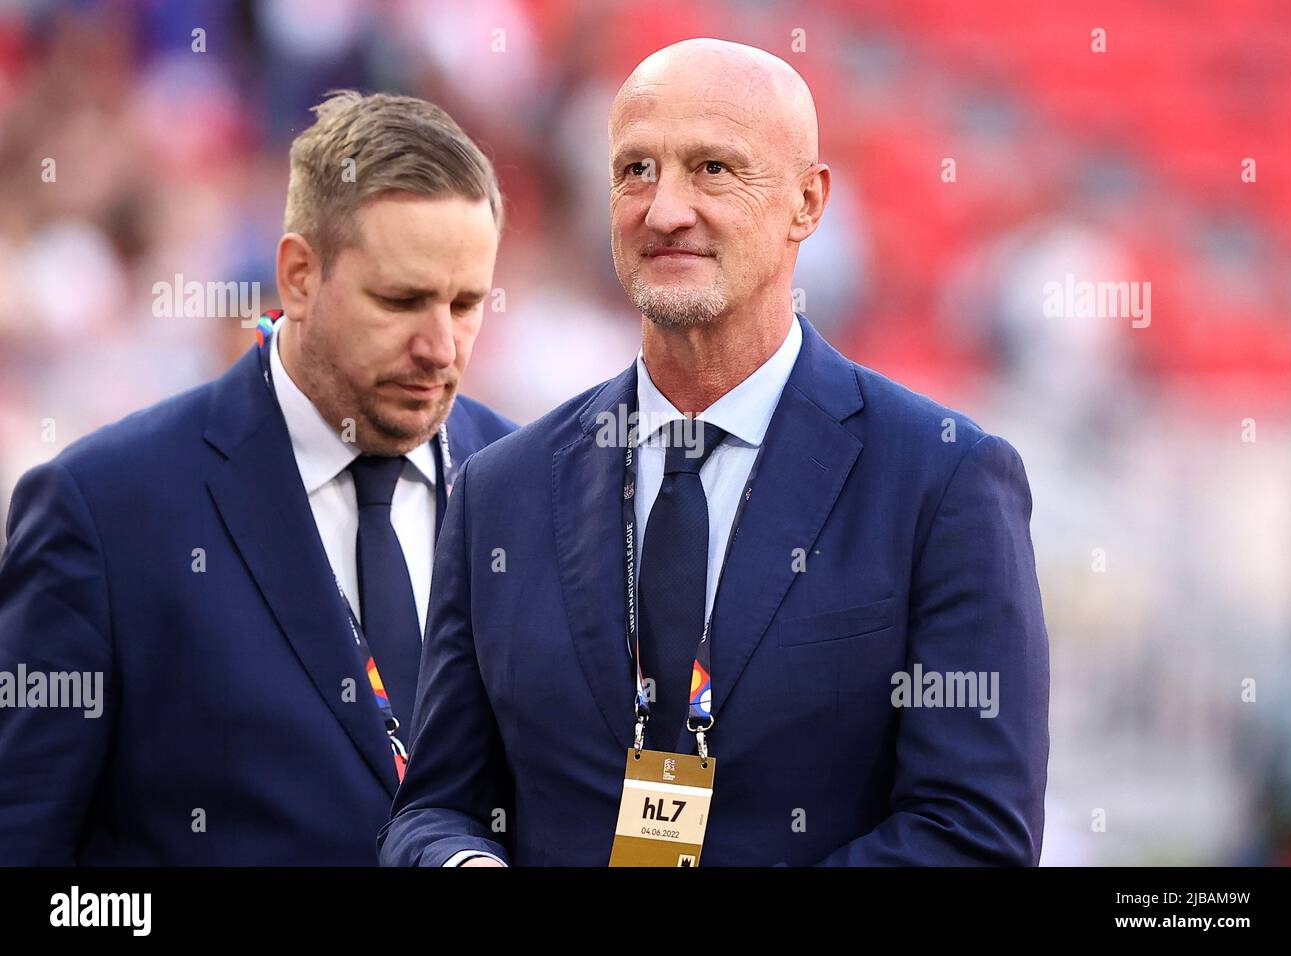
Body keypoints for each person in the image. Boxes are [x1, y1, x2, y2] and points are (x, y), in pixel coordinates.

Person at [379, 39, 1049, 867]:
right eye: (635, 170)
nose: (664, 210)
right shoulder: (499, 493)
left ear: (807, 203)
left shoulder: (941, 480)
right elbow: (437, 806)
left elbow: (971, 835)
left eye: (713, 170)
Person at [0, 91, 515, 864]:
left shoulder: (531, 488)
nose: (441, 347)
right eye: (401, 301)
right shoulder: (105, 511)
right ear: (300, 276)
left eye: (466, 303)